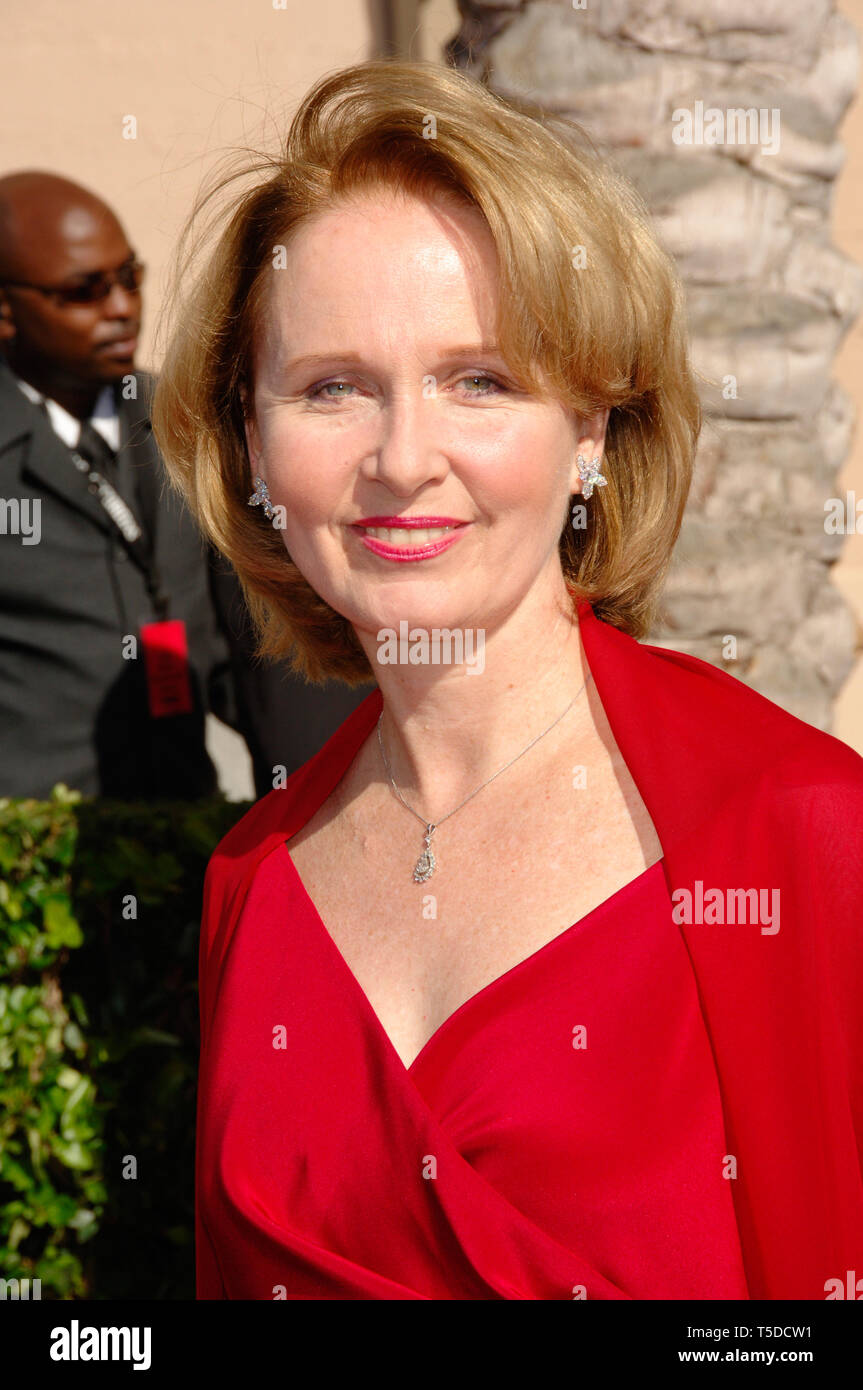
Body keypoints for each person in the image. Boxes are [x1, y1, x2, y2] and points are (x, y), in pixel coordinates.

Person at [152, 59, 863, 1300]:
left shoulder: (793, 832)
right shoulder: (250, 883)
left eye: (477, 379)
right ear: (250, 444)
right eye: (331, 387)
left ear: (589, 428)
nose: (403, 458)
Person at [0, 170, 235, 799]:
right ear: (5, 311)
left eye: (130, 278)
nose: (121, 308)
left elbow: (241, 652)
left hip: (184, 836)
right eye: (84, 292)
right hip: (36, 861)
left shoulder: (184, 424)